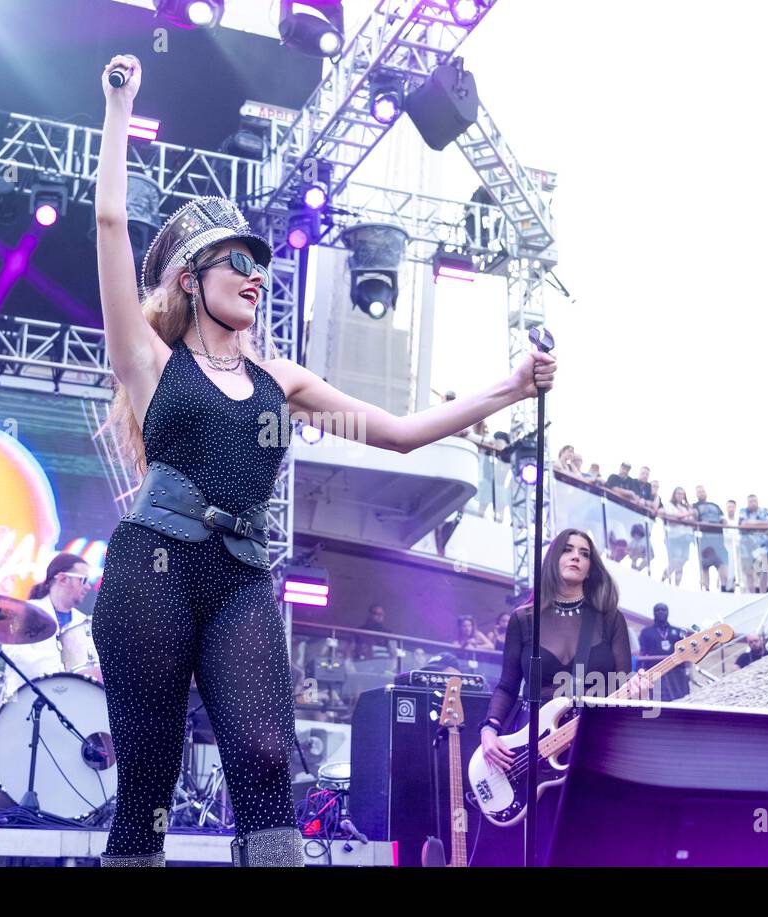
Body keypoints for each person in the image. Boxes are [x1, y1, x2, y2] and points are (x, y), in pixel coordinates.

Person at [89, 53, 556, 868]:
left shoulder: (285, 383)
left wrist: (510, 390)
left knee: (268, 760)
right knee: (150, 782)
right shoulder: (151, 365)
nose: (257, 278)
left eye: (263, 267)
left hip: (237, 575)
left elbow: (406, 432)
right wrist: (121, 105)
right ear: (193, 280)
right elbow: (108, 227)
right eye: (239, 262)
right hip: (153, 567)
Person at [479, 529, 648, 864]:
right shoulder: (523, 620)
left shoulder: (610, 619)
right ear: (553, 558)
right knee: (531, 844)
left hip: (589, 741)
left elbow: (621, 687)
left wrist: (637, 693)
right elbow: (507, 685)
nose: (576, 557)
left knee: (585, 842)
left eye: (584, 554)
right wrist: (488, 730)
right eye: (568, 550)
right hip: (531, 741)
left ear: (591, 567)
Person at [2, 553, 100, 697]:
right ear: (62, 578)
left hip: (69, 702)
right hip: (24, 698)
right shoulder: (27, 610)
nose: (87, 587)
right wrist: (64, 673)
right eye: (83, 580)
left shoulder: (83, 622)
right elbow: (15, 655)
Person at [637, 603, 689, 700]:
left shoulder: (677, 631)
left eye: (663, 609)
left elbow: (684, 651)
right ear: (654, 613)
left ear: (667, 612)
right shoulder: (646, 632)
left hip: (675, 671)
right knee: (659, 700)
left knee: (680, 699)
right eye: (657, 610)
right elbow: (642, 653)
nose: (660, 612)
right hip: (655, 671)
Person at [693, 486, 731, 592]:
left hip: (718, 539)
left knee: (722, 565)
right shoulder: (694, 506)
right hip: (704, 539)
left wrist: (721, 523)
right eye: (699, 492)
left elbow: (724, 520)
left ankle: (725, 589)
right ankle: (707, 590)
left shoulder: (715, 506)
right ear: (696, 494)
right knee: (705, 566)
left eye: (702, 491)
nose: (701, 493)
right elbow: (694, 520)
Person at [738, 494, 768, 593]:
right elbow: (744, 524)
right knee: (749, 572)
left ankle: (763, 593)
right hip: (747, 547)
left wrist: (751, 523)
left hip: (763, 546)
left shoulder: (764, 511)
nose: (753, 503)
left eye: (754, 501)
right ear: (747, 502)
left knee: (763, 570)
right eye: (750, 501)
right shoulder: (743, 511)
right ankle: (752, 594)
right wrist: (761, 524)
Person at [660, 486, 696, 586]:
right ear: (674, 494)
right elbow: (674, 517)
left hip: (686, 537)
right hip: (674, 537)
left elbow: (691, 520)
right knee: (676, 560)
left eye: (682, 494)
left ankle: (677, 586)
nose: (680, 495)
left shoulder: (685, 507)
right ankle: (664, 577)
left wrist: (685, 516)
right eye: (678, 493)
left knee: (682, 561)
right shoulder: (668, 505)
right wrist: (686, 515)